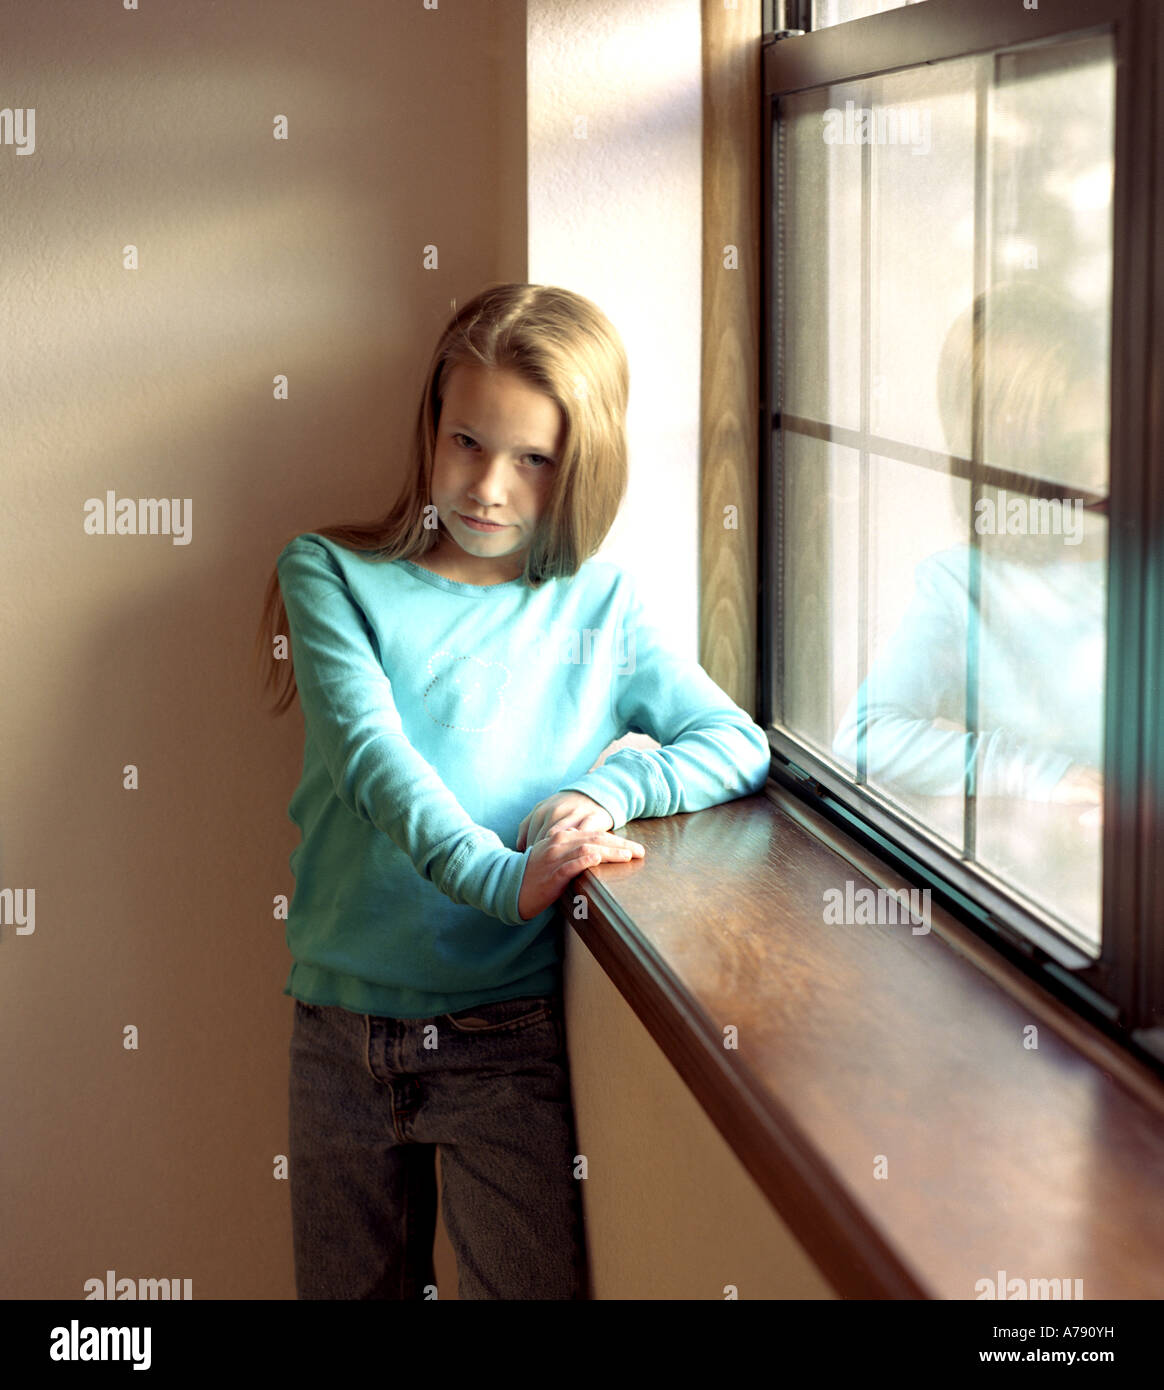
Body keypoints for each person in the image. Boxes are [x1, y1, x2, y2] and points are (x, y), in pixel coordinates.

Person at [253, 282, 773, 1300]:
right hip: (340, 1033)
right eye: (466, 442)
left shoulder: (602, 606)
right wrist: (503, 877)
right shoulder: (329, 575)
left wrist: (610, 784)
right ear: (430, 432)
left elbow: (735, 743)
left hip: (504, 1038)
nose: (489, 485)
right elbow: (374, 763)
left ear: (580, 464)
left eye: (532, 459)